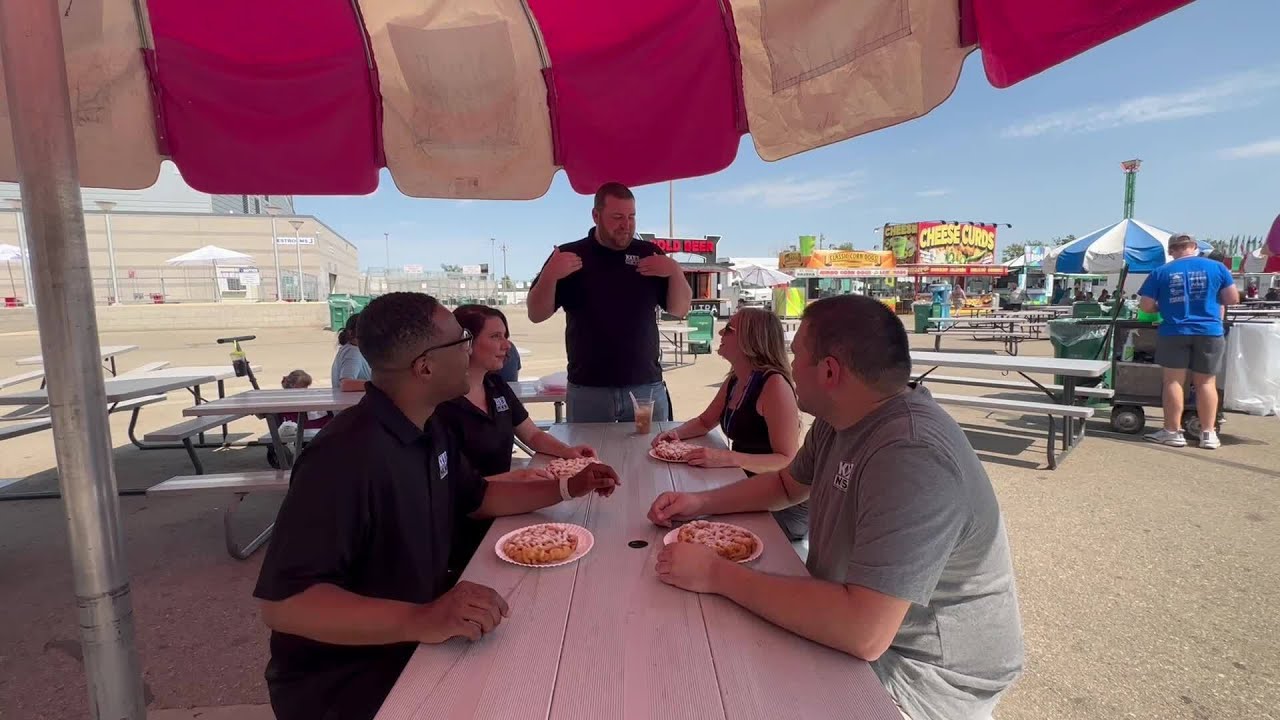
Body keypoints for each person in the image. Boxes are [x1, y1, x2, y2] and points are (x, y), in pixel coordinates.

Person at [646, 294, 1024, 720]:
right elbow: (788, 485)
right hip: (858, 624)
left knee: (714, 689)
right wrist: (699, 503)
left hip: (925, 677)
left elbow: (864, 632)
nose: (789, 369)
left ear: (829, 371)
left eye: (795, 355)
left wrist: (716, 573)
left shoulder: (911, 454)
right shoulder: (841, 416)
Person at [254, 292, 621, 720]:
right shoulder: (345, 457)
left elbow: (479, 497)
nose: (470, 348)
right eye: (461, 340)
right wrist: (423, 618)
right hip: (349, 682)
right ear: (424, 366)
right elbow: (284, 604)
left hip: (419, 643)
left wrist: (567, 487)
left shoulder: (429, 425)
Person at [435, 304, 599, 572]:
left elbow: (532, 434)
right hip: (466, 523)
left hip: (508, 505)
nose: (507, 345)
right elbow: (449, 487)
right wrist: (515, 477)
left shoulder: (495, 386)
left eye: (506, 335)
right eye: (496, 337)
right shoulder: (440, 406)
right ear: (466, 342)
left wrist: (570, 452)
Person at [527, 182, 693, 423]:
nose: (626, 224)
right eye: (617, 217)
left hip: (645, 387)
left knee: (648, 457)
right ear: (596, 215)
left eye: (631, 216)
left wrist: (675, 271)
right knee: (588, 458)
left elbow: (680, 309)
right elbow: (536, 313)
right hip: (588, 389)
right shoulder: (569, 256)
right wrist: (550, 274)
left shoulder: (649, 253)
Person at [651, 308, 804, 540]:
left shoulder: (774, 385)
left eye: (729, 329)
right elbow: (704, 421)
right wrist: (673, 435)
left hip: (783, 503)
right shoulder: (736, 379)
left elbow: (786, 460)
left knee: (698, 528)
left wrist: (727, 458)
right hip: (744, 485)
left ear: (751, 341)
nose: (720, 331)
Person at [1138, 233, 1239, 449]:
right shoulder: (1217, 268)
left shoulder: (1161, 272)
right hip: (1210, 330)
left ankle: (1172, 432)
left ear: (1171, 250)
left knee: (1173, 381)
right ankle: (1208, 433)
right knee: (1206, 382)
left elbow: (1146, 306)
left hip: (1174, 330)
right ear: (1194, 246)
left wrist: (1162, 306)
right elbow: (1232, 298)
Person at [331, 312, 372, 391]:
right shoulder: (353, 352)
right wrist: (378, 385)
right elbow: (346, 384)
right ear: (351, 333)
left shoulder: (350, 349)